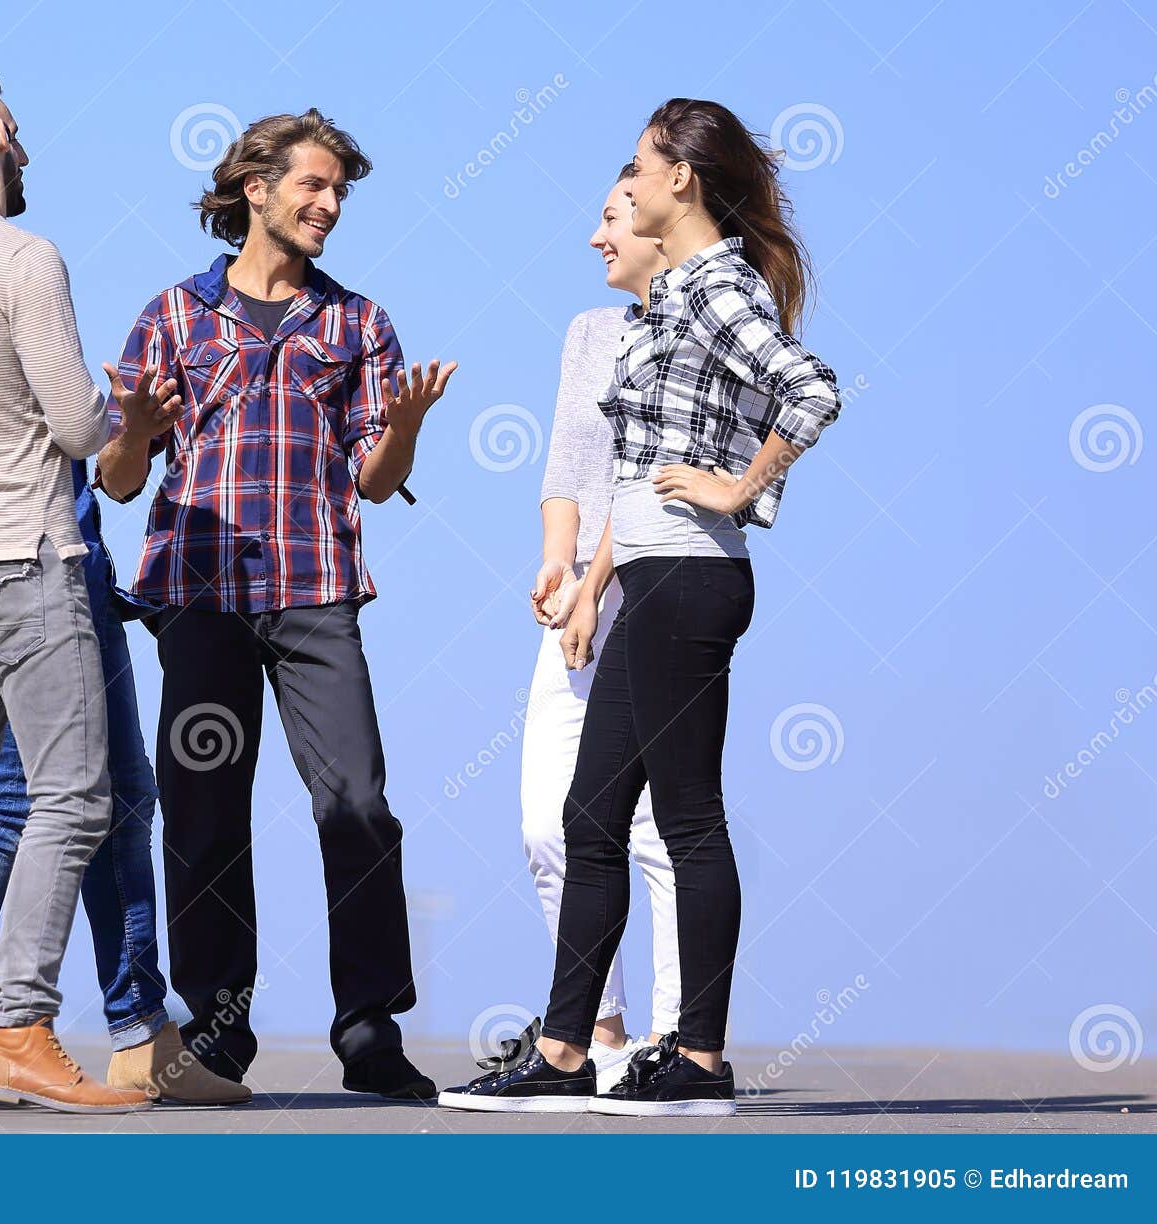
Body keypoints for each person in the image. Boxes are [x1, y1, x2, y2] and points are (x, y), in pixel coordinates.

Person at [0, 65, 246, 1110]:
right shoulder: (27, 259)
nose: (23, 143)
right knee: (78, 797)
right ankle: (21, 1022)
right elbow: (77, 427)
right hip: (28, 560)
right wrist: (136, 425)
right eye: (14, 126)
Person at [441, 98, 843, 1116]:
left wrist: (736, 487)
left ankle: (699, 1059)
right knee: (590, 814)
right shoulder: (673, 301)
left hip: (688, 579)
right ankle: (566, 1051)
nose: (623, 182)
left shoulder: (716, 288)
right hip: (653, 578)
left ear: (681, 181)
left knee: (688, 818)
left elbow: (812, 392)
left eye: (636, 165)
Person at [96, 109, 456, 1098]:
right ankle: (219, 1029)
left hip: (314, 593)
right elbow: (120, 481)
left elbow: (377, 480)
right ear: (255, 188)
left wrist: (409, 427)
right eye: (314, 186)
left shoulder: (358, 323)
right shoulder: (172, 316)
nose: (330, 206)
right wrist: (130, 425)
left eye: (340, 192)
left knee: (357, 804)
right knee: (203, 813)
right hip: (198, 599)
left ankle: (369, 1029)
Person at [446, 171, 679, 1112]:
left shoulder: (686, 337)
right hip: (579, 592)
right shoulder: (590, 334)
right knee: (551, 823)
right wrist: (556, 566)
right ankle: (600, 1028)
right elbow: (568, 465)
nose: (595, 236)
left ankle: (674, 1038)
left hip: (649, 589)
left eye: (612, 217)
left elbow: (651, 478)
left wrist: (595, 584)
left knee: (660, 829)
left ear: (664, 223)